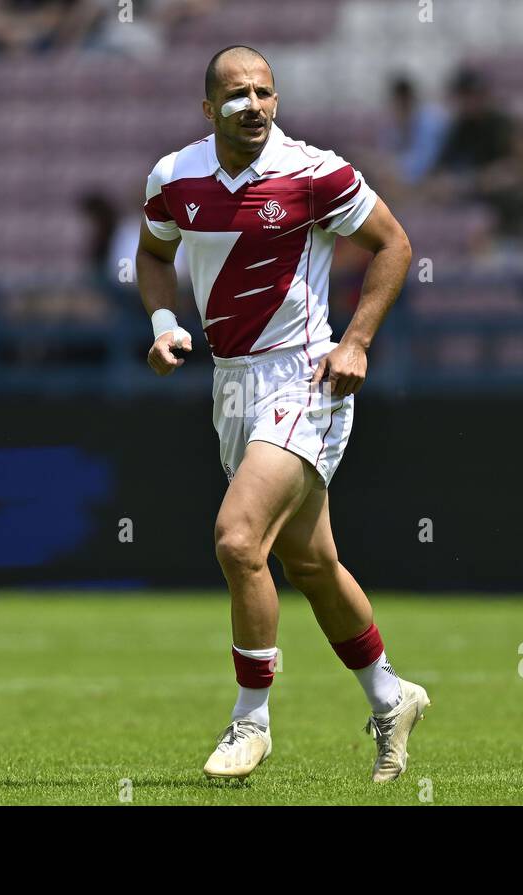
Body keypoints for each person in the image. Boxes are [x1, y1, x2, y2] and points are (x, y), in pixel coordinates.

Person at [134, 46, 424, 782]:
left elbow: (394, 244)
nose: (255, 105)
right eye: (237, 94)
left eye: (265, 92)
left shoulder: (314, 172)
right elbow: (151, 253)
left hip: (305, 380)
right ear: (209, 109)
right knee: (310, 561)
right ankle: (391, 694)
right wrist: (164, 321)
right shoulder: (175, 178)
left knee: (237, 540)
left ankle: (249, 721)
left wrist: (357, 341)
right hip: (230, 386)